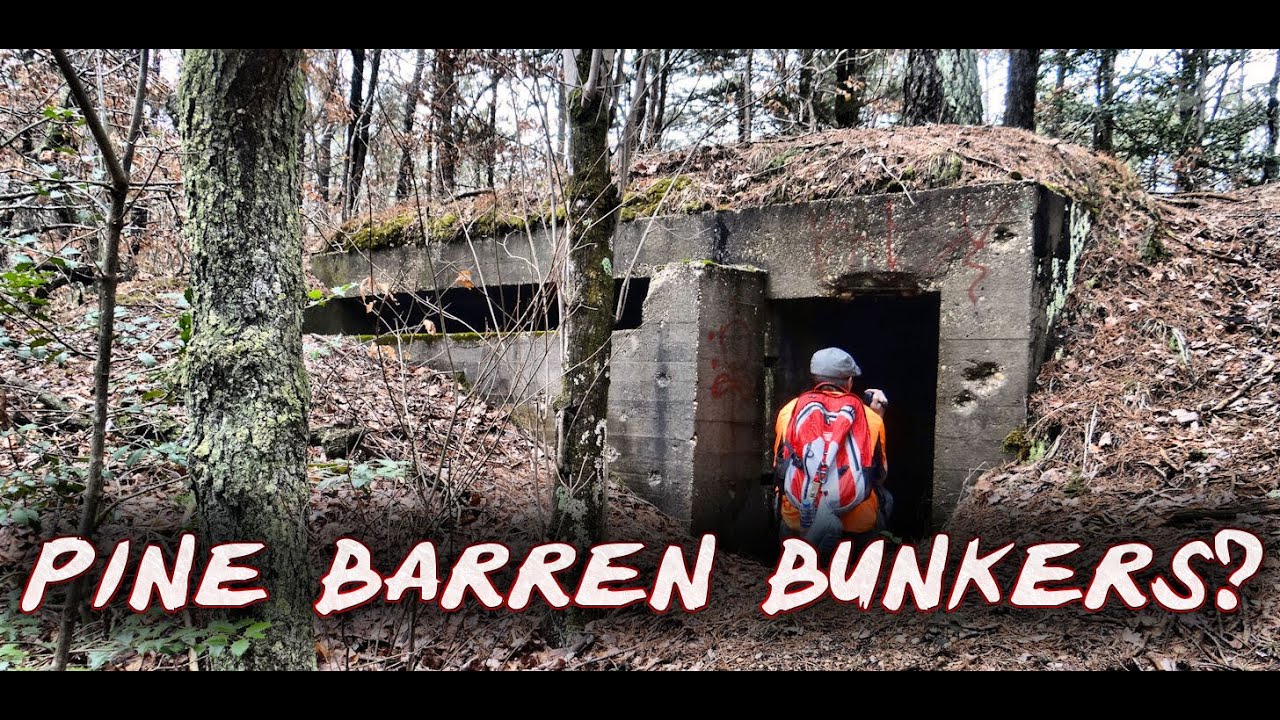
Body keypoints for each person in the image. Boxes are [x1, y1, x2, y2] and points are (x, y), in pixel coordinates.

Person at [772, 347, 890, 553]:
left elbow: (779, 467)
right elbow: (879, 474)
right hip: (855, 530)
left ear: (814, 379)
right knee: (886, 499)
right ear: (850, 382)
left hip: (798, 524)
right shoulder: (870, 418)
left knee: (781, 499)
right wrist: (878, 416)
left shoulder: (789, 411)